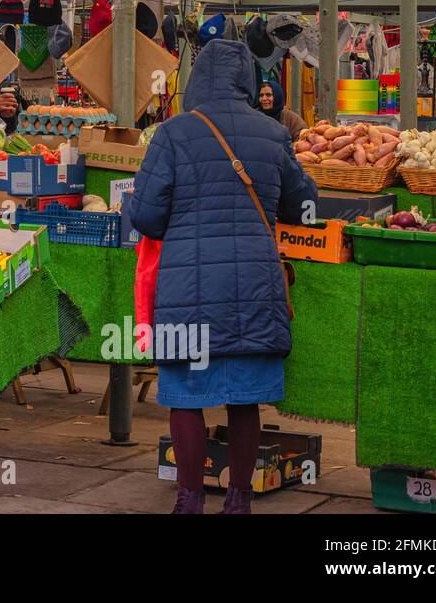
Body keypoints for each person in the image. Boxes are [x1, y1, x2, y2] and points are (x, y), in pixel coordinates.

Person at [126, 39, 316, 514]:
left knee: (187, 399)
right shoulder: (274, 135)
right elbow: (304, 210)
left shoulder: (172, 135)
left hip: (187, 290)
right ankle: (239, 501)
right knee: (244, 398)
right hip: (254, 286)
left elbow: (146, 218)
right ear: (248, 82)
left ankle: (189, 501)